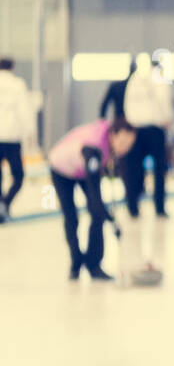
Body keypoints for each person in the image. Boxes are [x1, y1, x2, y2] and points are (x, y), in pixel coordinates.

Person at [47, 117, 137, 280]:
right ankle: (76, 264)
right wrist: (111, 219)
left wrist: (107, 216)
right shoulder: (94, 148)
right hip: (61, 168)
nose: (124, 149)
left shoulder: (109, 142)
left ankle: (93, 264)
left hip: (81, 168)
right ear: (112, 135)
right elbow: (96, 198)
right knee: (72, 217)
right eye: (122, 143)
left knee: (97, 215)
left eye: (129, 146)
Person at [122, 53, 173, 219]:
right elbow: (164, 101)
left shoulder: (134, 79)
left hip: (135, 128)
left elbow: (127, 104)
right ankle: (159, 208)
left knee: (134, 169)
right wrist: (167, 119)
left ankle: (132, 207)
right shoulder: (159, 79)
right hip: (155, 128)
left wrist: (130, 125)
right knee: (159, 170)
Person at [0, 57, 43, 222]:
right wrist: (31, 134)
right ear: (12, 67)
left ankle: (1, 205)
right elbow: (25, 111)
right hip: (12, 138)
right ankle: (5, 203)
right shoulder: (18, 85)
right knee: (18, 176)